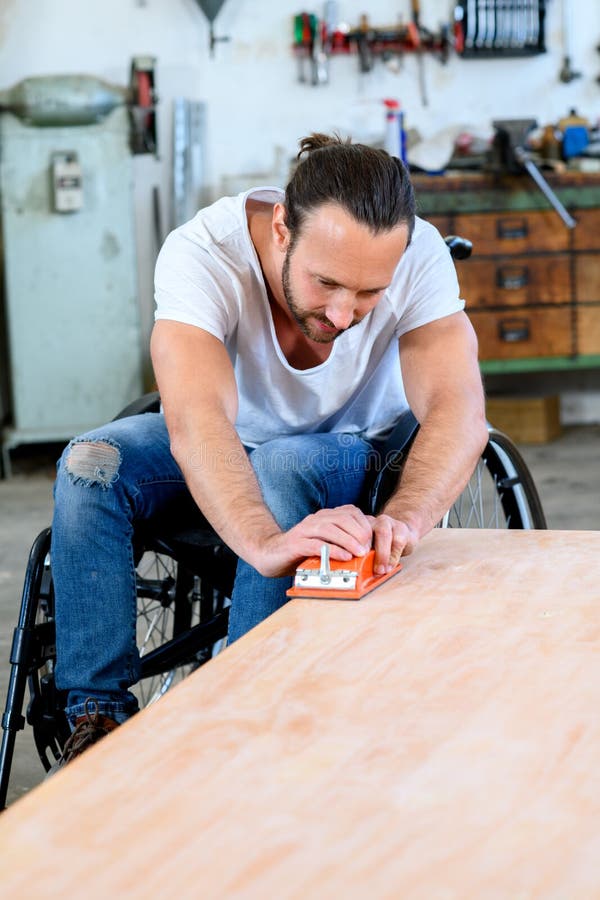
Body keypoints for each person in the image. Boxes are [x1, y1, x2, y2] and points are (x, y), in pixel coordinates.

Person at [50, 133, 487, 765]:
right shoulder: (203, 252)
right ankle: (97, 718)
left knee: (280, 464)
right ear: (282, 226)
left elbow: (457, 408)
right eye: (327, 282)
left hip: (350, 448)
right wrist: (260, 539)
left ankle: (249, 727)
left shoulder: (418, 256)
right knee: (91, 465)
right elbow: (197, 415)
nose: (343, 314)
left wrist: (408, 517)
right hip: (231, 442)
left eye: (369, 294)